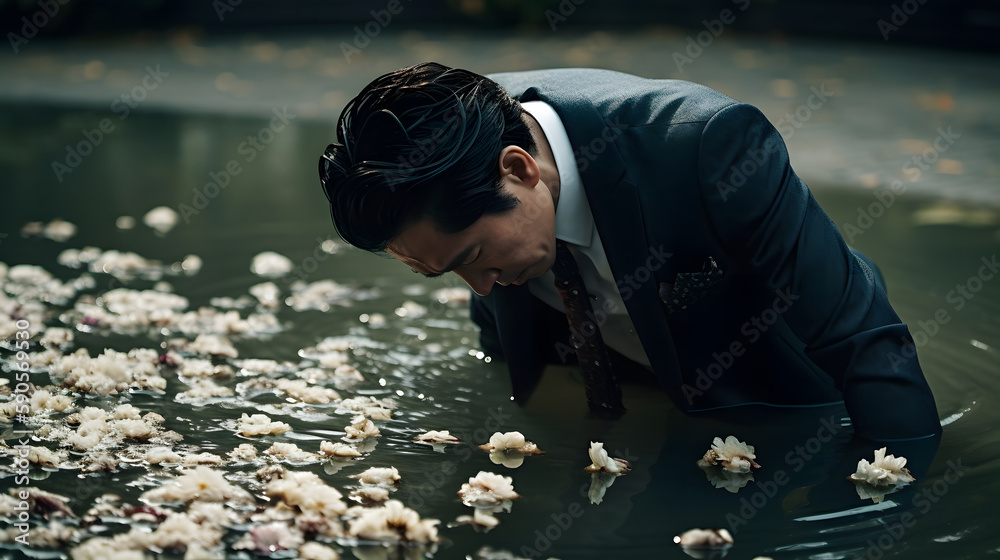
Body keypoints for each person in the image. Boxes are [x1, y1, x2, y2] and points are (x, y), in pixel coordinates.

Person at [318, 62, 942, 442]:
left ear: (519, 168)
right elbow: (500, 330)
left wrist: (887, 505)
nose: (480, 288)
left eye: (470, 257)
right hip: (620, 382)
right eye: (444, 271)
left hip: (784, 397)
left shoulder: (708, 146)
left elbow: (864, 339)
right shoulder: (454, 144)